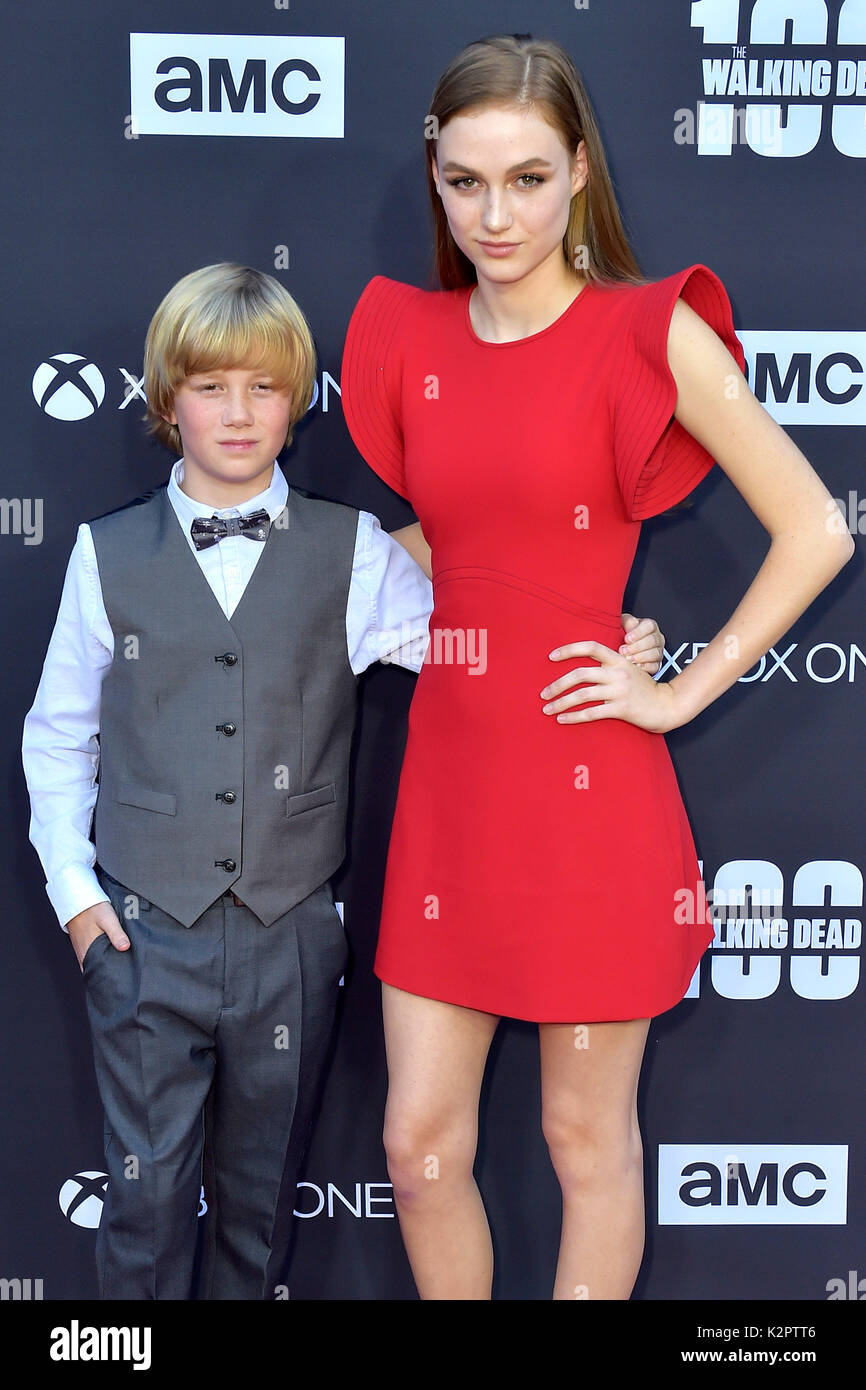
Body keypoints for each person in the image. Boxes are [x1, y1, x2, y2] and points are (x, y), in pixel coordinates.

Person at [340, 33, 854, 1300]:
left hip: (586, 786)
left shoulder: (645, 332)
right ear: (434, 177)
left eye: (524, 177)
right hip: (450, 791)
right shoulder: (403, 334)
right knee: (417, 1141)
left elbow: (817, 527)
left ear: (578, 171)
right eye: (465, 182)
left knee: (582, 1139)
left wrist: (673, 684)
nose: (493, 212)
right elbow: (441, 547)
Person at [19, 261, 439, 1300]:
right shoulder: (103, 553)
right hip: (141, 929)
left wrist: (599, 628)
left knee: (259, 1209)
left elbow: (474, 644)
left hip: (289, 934)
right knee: (145, 1201)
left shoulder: (353, 553)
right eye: (211, 386)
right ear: (168, 401)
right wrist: (79, 902)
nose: (239, 412)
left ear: (297, 401)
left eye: (263, 386)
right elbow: (58, 734)